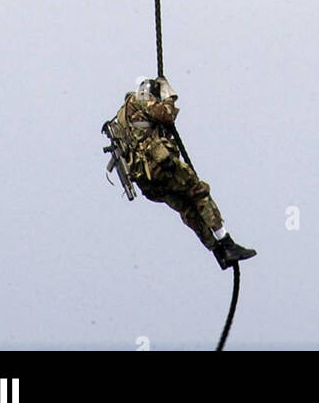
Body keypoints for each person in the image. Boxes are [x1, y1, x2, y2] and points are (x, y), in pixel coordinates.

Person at [103, 78, 256, 270]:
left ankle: (218, 252)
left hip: (147, 182)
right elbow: (166, 115)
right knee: (198, 192)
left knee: (187, 208)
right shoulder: (140, 100)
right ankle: (226, 242)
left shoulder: (123, 115)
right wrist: (170, 96)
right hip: (160, 167)